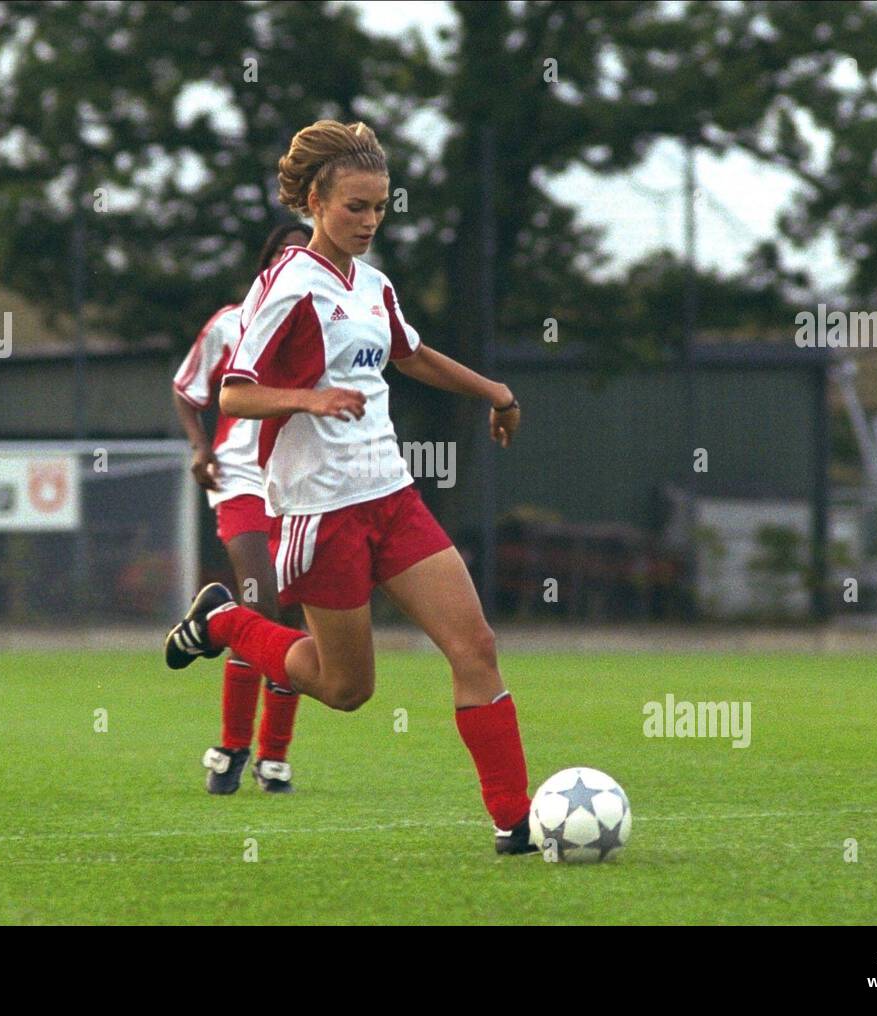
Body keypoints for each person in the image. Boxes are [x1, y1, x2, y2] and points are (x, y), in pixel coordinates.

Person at [165, 119, 535, 855]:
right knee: (345, 690)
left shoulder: (372, 283)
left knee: (476, 647)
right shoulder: (284, 287)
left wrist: (494, 390)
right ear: (313, 201)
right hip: (319, 512)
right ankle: (226, 624)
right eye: (355, 207)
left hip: (391, 497)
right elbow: (235, 395)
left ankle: (515, 823)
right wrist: (308, 399)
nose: (369, 222)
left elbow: (413, 353)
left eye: (381, 207)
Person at [171, 222, 311, 795]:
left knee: (294, 619)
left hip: (302, 481)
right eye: (283, 253)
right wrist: (200, 446)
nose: (294, 262)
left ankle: (273, 757)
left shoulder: (330, 323)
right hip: (241, 476)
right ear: (265, 262)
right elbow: (187, 390)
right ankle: (231, 747)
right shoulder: (233, 321)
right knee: (261, 602)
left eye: (303, 254)